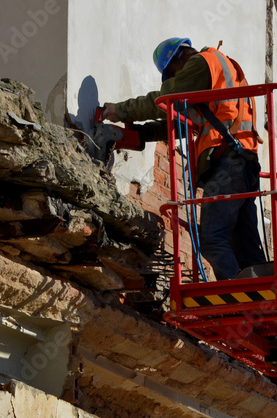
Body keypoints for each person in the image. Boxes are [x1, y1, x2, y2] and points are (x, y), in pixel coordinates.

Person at [102, 38, 267, 280]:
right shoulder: (215, 84)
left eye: (172, 73)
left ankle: (238, 298)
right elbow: (178, 120)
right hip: (243, 164)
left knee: (212, 240)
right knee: (245, 246)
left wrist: (120, 110)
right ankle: (260, 296)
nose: (175, 79)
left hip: (228, 164)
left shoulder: (202, 63)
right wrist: (139, 133)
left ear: (181, 57)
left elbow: (165, 100)